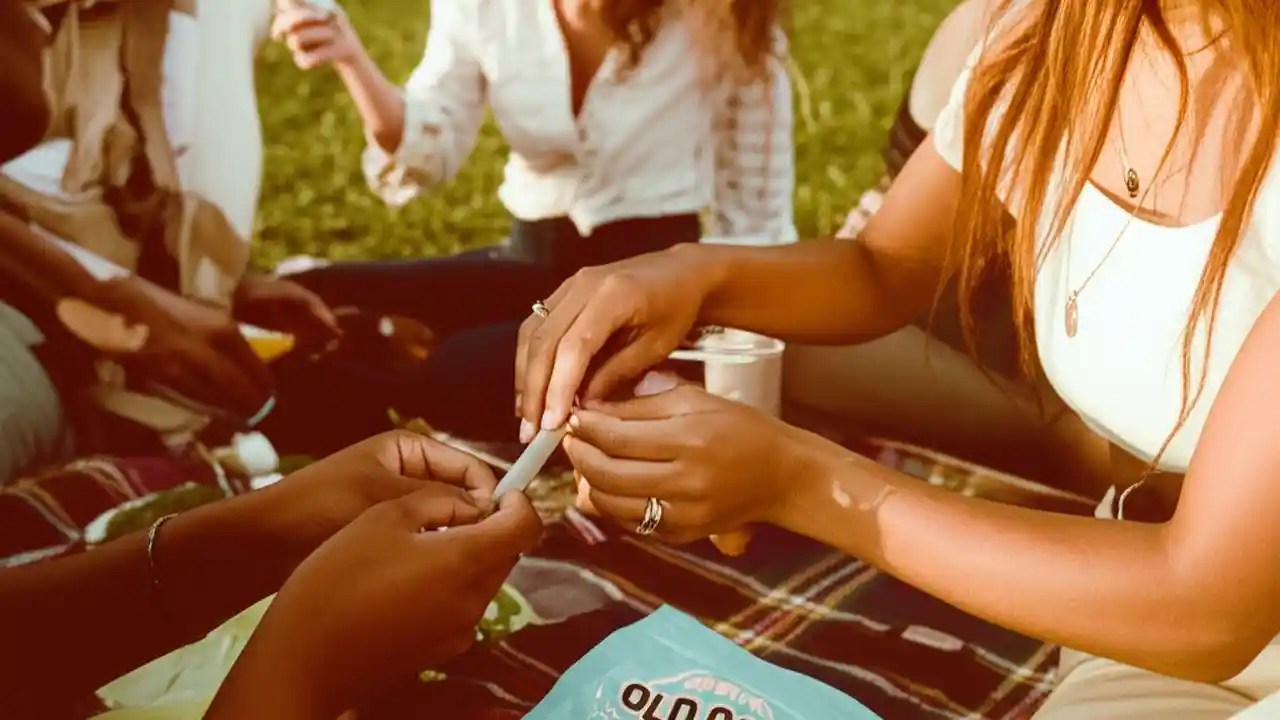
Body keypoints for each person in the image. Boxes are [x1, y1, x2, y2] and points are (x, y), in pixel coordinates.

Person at [517, 0, 1280, 716]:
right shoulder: (1057, 29)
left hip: (1187, 612)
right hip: (1141, 616)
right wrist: (691, 276)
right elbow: (885, 269)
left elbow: (1204, 605)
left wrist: (799, 483)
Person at [270, 0, 795, 443]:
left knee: (458, 372)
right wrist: (351, 59)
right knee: (305, 295)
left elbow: (757, 219)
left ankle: (375, 379)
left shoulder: (722, 14)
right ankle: (362, 368)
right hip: (528, 263)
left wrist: (708, 341)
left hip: (646, 284)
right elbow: (429, 150)